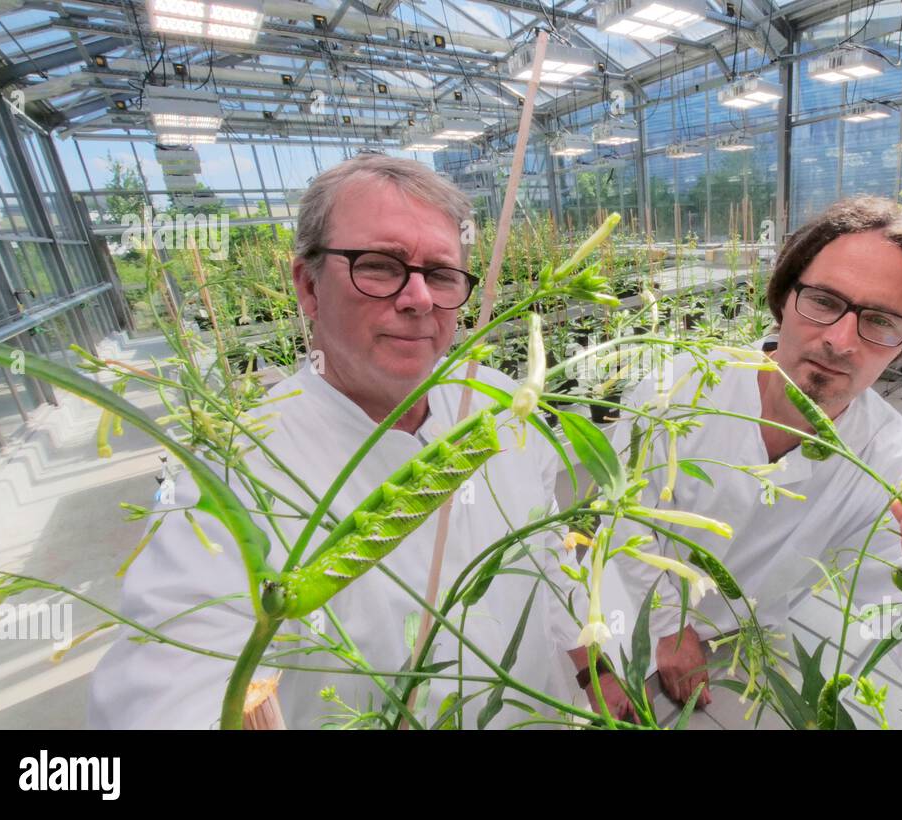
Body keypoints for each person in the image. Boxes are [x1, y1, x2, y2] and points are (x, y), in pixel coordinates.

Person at [89, 154, 567, 729]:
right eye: (379, 266)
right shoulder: (232, 477)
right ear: (308, 285)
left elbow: (555, 549)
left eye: (440, 274)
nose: (417, 298)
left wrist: (600, 666)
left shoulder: (504, 405)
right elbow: (160, 702)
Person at [578, 197, 902, 729]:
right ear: (784, 299)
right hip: (610, 608)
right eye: (824, 301)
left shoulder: (889, 468)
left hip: (736, 648)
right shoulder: (681, 387)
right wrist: (667, 626)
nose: (839, 340)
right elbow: (619, 515)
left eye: (880, 321)